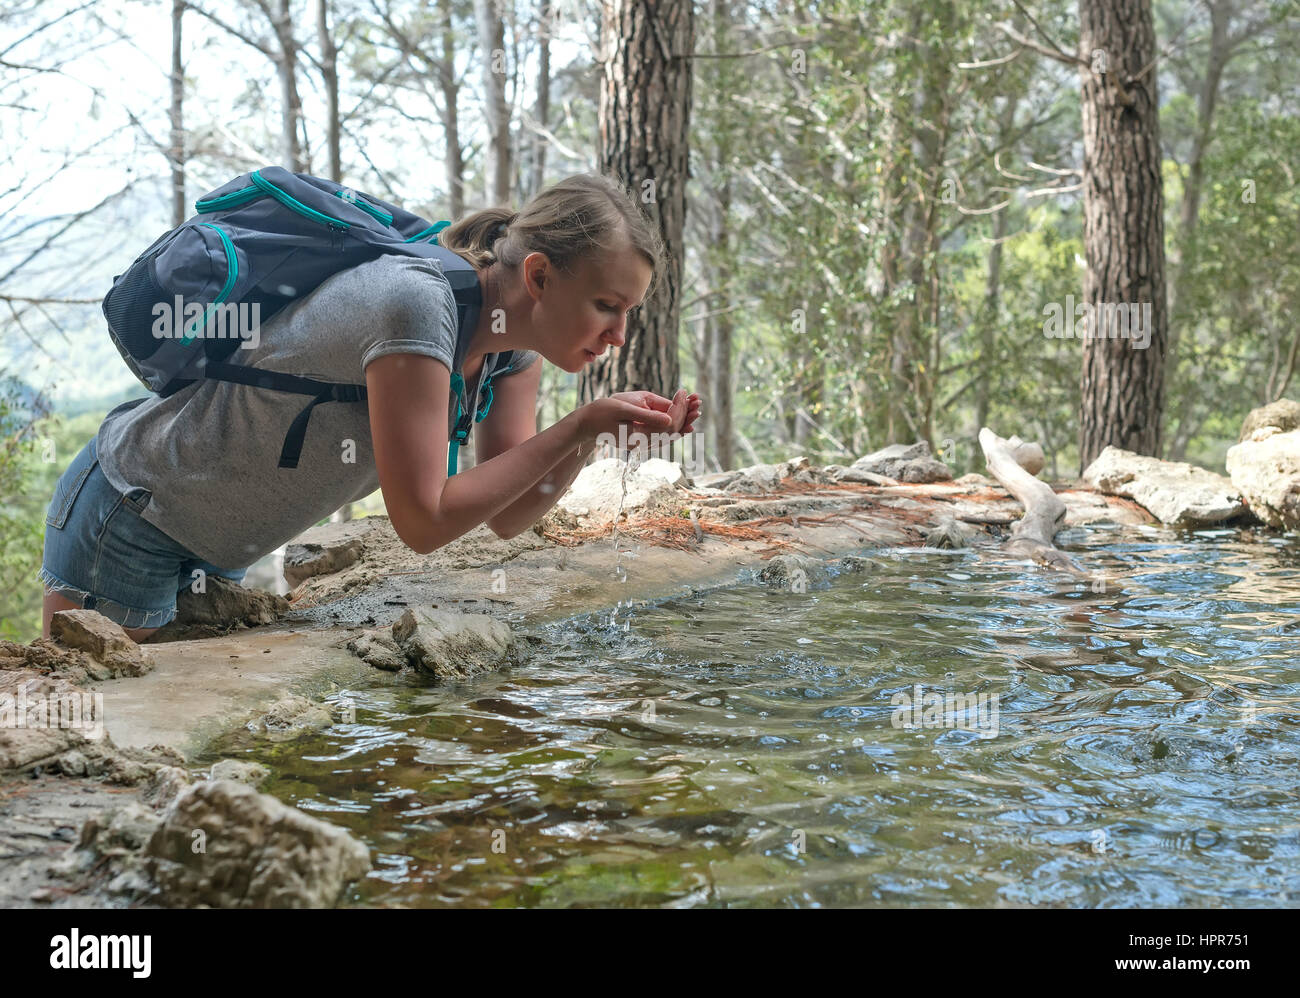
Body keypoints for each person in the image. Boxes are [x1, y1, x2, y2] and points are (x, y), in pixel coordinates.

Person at [39, 173, 702, 642]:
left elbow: (511, 516)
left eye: (628, 312)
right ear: (537, 276)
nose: (619, 335)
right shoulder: (415, 305)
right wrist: (580, 422)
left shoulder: (511, 353)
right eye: (606, 306)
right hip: (132, 514)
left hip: (217, 545)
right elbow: (423, 521)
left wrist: (590, 435)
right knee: (100, 743)